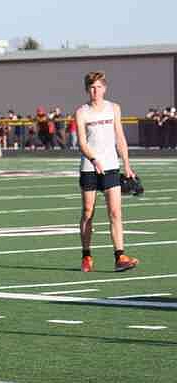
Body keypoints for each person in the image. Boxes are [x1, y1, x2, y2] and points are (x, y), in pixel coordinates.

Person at [75, 71, 138, 273]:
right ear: (87, 89)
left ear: (105, 88)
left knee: (115, 212)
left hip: (111, 166)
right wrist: (93, 160)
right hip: (90, 167)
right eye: (92, 87)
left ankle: (120, 256)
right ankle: (86, 255)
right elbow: (82, 143)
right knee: (88, 212)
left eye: (99, 86)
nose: (96, 91)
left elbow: (120, 137)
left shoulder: (114, 108)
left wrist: (126, 164)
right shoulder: (82, 112)